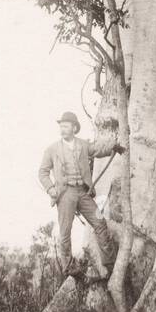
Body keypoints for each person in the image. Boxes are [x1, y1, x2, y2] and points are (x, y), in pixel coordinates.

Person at [38, 111, 114, 278]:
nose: (62, 130)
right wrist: (51, 189)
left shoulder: (83, 145)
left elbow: (98, 149)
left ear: (74, 128)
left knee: (100, 222)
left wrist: (113, 146)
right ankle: (70, 269)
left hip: (84, 193)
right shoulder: (52, 149)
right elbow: (42, 173)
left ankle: (109, 265)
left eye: (65, 126)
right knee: (65, 232)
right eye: (61, 127)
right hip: (65, 195)